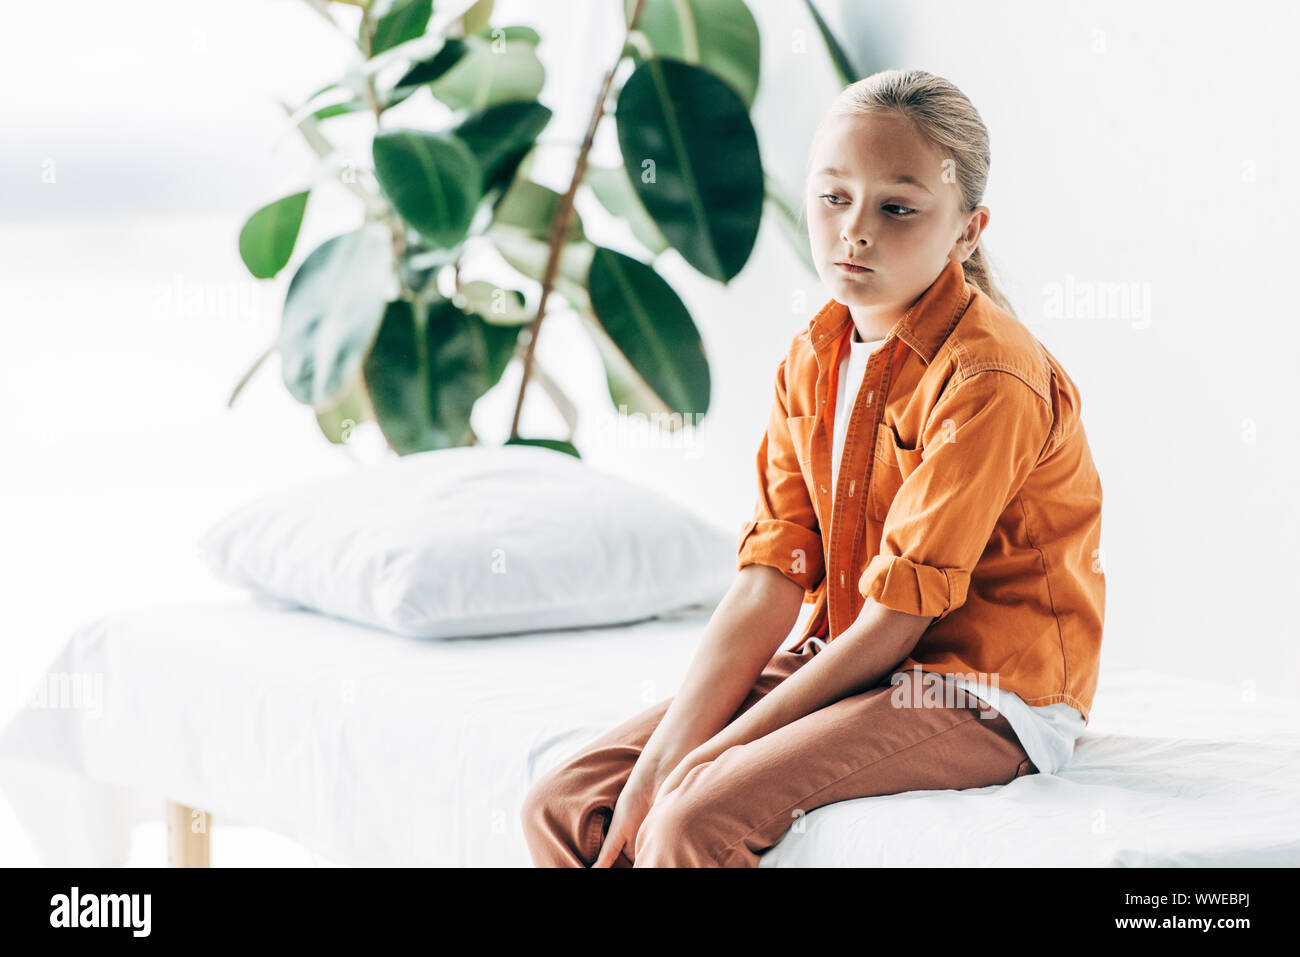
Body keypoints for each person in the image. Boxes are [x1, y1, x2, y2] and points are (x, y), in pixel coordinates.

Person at [520, 68, 1105, 868]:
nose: (853, 230)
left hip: (976, 689)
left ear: (968, 231)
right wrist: (667, 751)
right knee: (566, 805)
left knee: (694, 820)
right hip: (849, 657)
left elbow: (901, 619)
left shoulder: (988, 378)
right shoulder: (814, 357)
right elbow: (772, 577)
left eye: (897, 207)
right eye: (833, 197)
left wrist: (717, 755)